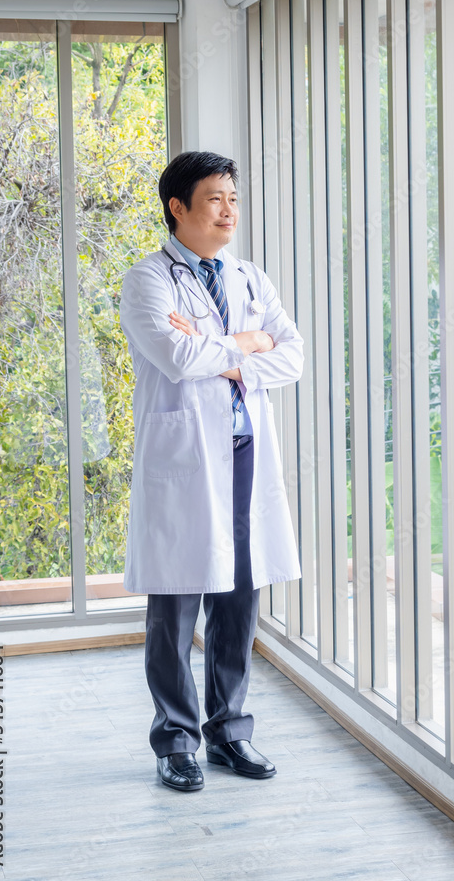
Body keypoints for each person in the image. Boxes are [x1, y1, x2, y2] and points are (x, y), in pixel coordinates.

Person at [119, 150, 303, 791]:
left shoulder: (250, 277)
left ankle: (231, 734)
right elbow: (173, 355)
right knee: (174, 607)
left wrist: (229, 354)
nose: (228, 211)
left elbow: (294, 356)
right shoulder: (148, 280)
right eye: (215, 199)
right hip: (184, 461)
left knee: (239, 599)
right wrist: (250, 345)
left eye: (233, 198)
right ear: (178, 207)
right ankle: (176, 742)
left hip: (245, 453)